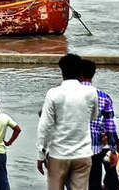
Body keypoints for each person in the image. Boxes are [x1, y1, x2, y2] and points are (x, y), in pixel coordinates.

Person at [36, 53, 98, 190]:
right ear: (80, 72)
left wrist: (41, 154)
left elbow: (44, 126)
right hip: (83, 154)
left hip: (58, 154)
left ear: (62, 71)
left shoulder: (53, 93)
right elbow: (93, 117)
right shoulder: (91, 93)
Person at [78, 59, 117, 190]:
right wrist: (113, 149)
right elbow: (110, 126)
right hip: (95, 149)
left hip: (74, 148)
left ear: (79, 74)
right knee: (94, 182)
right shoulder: (104, 97)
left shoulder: (68, 94)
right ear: (93, 74)